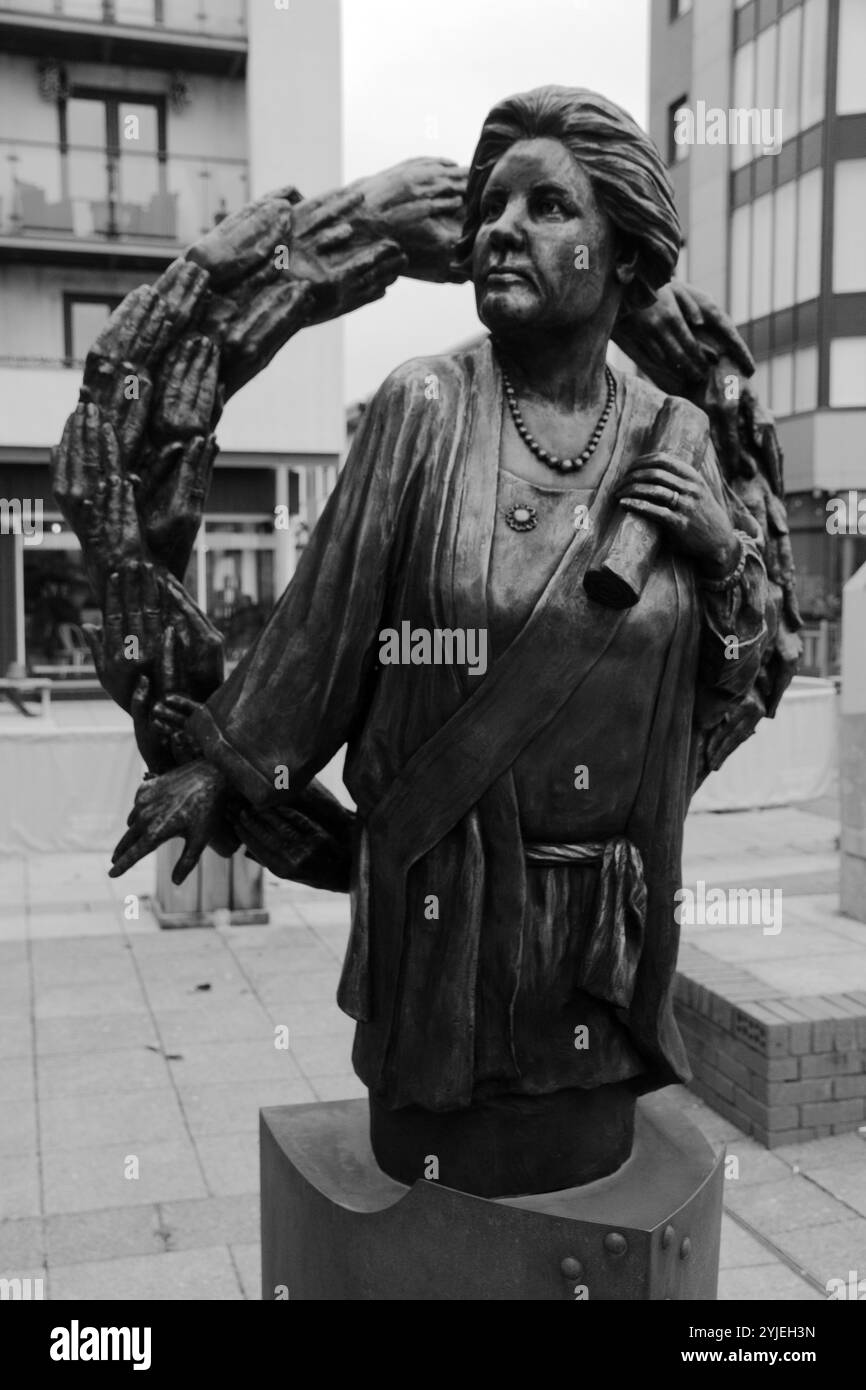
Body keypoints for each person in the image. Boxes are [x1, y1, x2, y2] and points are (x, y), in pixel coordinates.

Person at [109, 88, 773, 1196]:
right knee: (441, 1184)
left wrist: (721, 556)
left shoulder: (678, 437)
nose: (500, 227)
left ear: (620, 256)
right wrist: (222, 769)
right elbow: (318, 634)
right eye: (491, 204)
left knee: (587, 1164)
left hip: (604, 924)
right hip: (449, 908)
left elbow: (726, 679)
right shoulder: (423, 408)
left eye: (548, 205)